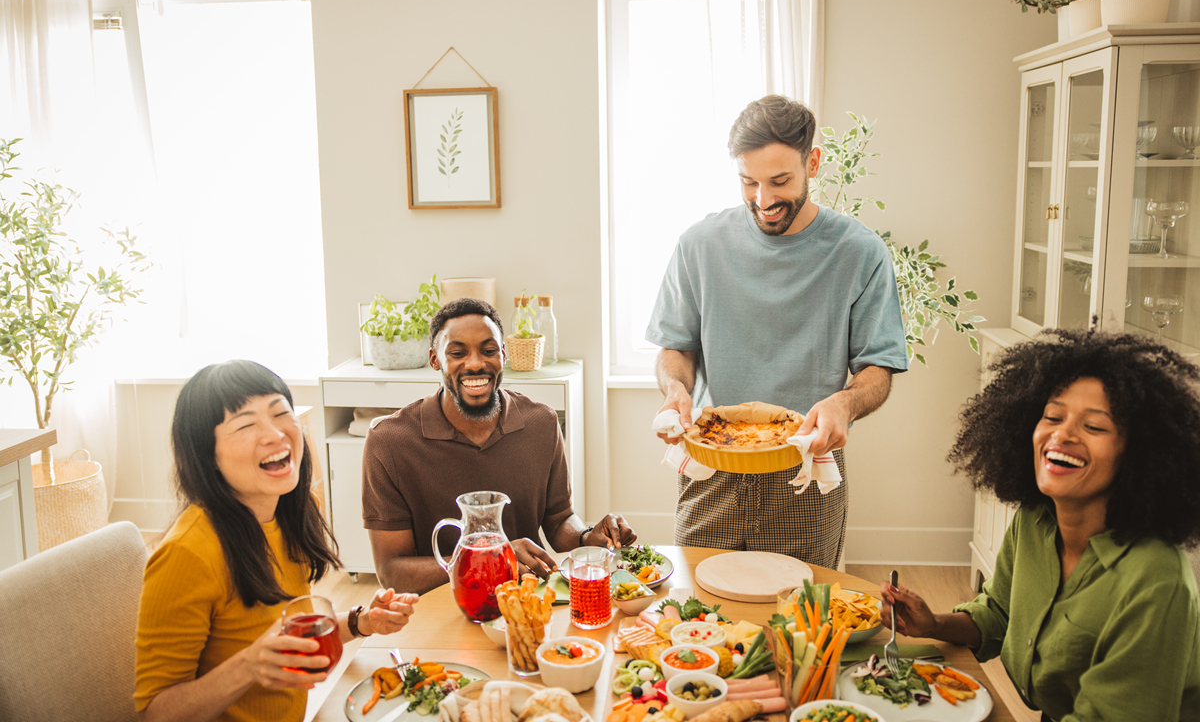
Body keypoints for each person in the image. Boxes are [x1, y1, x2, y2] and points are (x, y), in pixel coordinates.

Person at [882, 330, 1200, 721]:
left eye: (1094, 427)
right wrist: (933, 624)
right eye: (1052, 416)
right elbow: (999, 614)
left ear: (1139, 455)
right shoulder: (1035, 520)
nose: (1062, 434)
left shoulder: (1156, 578)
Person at [647, 94, 908, 568]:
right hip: (713, 468)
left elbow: (878, 368)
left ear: (813, 162)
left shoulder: (860, 252)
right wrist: (675, 391)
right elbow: (676, 349)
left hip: (805, 470)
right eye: (748, 182)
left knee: (798, 619)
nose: (762, 201)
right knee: (701, 613)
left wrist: (844, 403)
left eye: (780, 181)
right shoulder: (699, 245)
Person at [135, 360, 418, 722]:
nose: (275, 435)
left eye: (280, 413)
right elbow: (155, 713)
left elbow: (285, 634)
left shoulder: (286, 513)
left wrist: (360, 621)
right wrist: (249, 667)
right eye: (246, 424)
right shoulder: (187, 553)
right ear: (208, 455)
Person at [362, 297, 637, 595]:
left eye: (489, 350)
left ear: (503, 354)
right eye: (457, 353)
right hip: (440, 609)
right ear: (435, 360)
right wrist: (491, 561)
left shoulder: (541, 423)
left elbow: (558, 521)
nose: (476, 363)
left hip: (530, 603)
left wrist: (586, 537)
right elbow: (392, 572)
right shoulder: (389, 442)